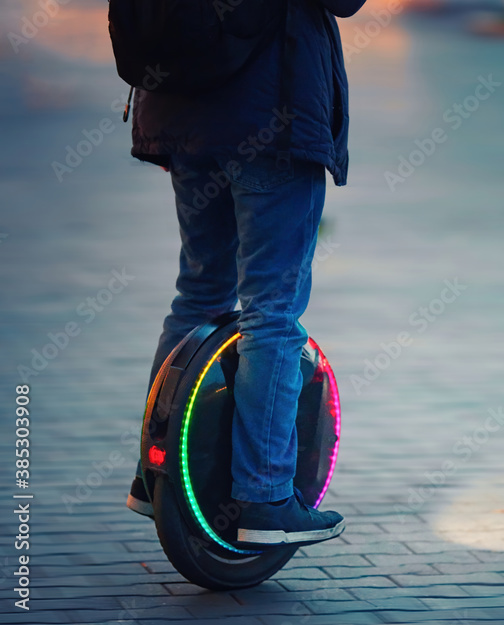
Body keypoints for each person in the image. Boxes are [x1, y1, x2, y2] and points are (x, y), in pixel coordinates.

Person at [123, 0, 365, 547]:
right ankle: (264, 495)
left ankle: (152, 476)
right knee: (272, 311)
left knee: (198, 295)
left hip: (185, 115)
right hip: (269, 118)